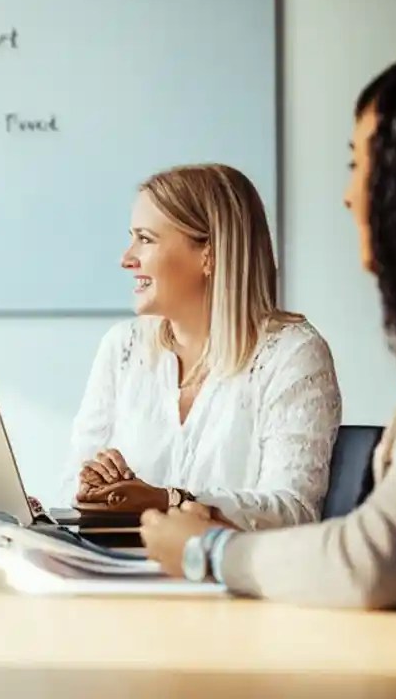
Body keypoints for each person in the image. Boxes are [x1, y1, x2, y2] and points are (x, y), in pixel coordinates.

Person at [141, 46, 396, 609]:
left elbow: (373, 559)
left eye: (361, 164)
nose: (350, 194)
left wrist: (209, 549)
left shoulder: (294, 352)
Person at [62, 163, 341, 530]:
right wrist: (93, 488)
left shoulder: (292, 354)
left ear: (209, 253)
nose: (127, 258)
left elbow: (293, 512)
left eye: (145, 238)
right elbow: (68, 490)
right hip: (120, 574)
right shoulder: (122, 348)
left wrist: (169, 502)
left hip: (232, 581)